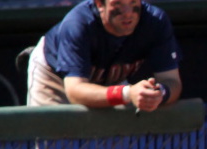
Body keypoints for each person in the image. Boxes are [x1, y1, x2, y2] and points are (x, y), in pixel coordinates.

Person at [26, 0, 181, 111]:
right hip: (55, 77)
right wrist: (127, 93)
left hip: (110, 80)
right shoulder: (78, 24)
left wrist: (160, 93)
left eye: (133, 3)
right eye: (118, 4)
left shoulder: (155, 21)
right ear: (99, 4)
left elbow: (172, 80)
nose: (128, 13)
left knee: (115, 148)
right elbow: (75, 91)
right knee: (55, 145)